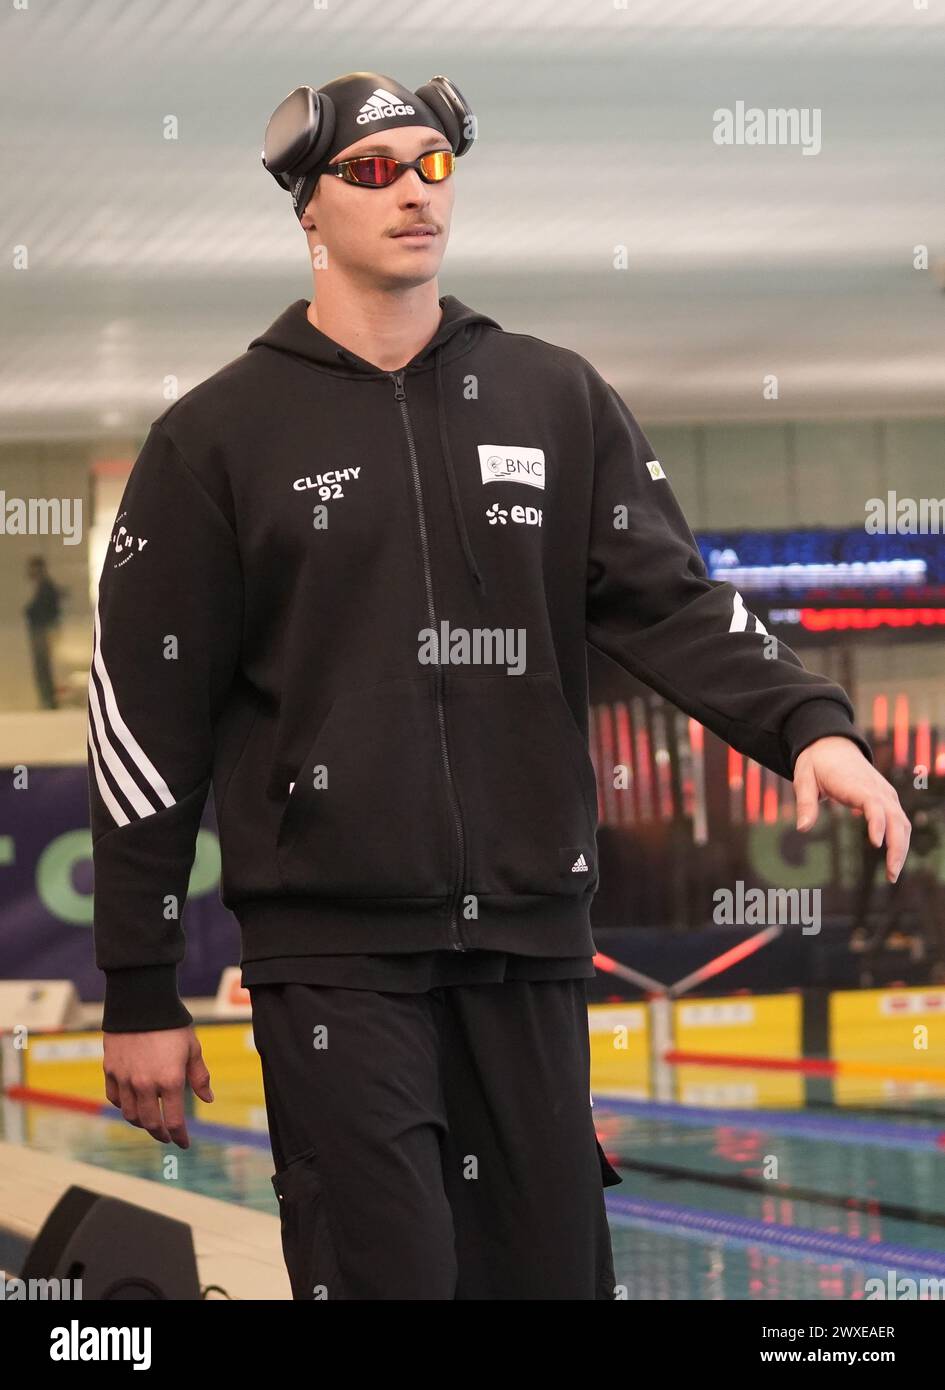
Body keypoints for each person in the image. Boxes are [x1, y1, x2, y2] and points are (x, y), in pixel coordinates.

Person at [87, 71, 912, 1299]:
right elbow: (145, 728)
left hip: (531, 946)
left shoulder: (554, 396)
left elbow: (675, 602)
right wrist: (140, 987)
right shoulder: (218, 438)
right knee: (392, 1276)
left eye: (434, 164)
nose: (413, 192)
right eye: (373, 172)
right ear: (307, 213)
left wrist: (808, 730)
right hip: (337, 959)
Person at [24, 555, 62, 709]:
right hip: (41, 630)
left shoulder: (46, 587)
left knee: (43, 666)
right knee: (42, 666)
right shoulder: (43, 587)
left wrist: (30, 612)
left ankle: (49, 700)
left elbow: (48, 611)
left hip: (42, 631)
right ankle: (48, 699)